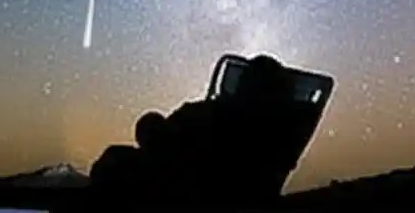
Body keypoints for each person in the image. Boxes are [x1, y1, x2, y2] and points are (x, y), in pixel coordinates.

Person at [88, 55, 309, 207]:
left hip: (183, 190)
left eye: (246, 81)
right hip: (202, 187)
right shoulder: (283, 130)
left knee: (114, 161)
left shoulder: (215, 116)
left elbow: (165, 141)